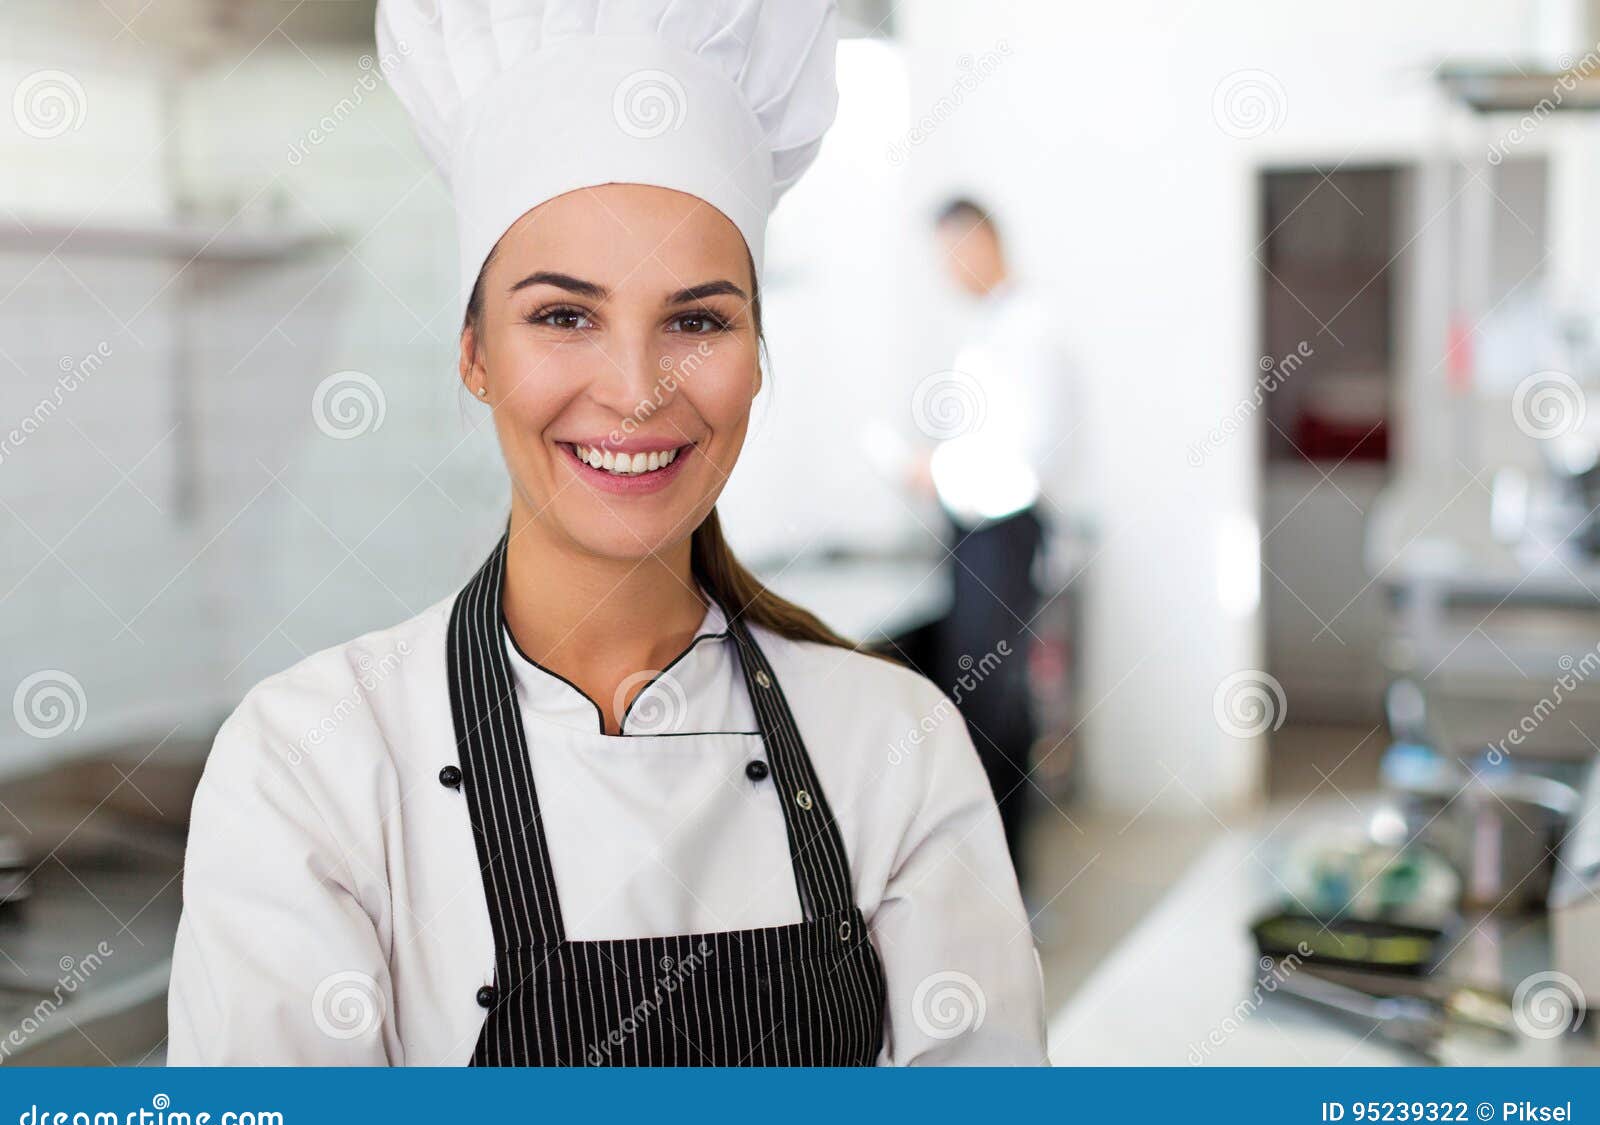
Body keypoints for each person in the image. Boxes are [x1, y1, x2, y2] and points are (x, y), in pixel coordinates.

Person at [165, 0, 1046, 1067]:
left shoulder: (894, 748)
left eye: (697, 318)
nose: (635, 392)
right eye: (562, 315)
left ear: (757, 355)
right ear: (475, 352)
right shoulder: (310, 765)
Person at [922, 197, 1072, 886]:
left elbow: (1023, 460)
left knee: (995, 706)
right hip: (980, 533)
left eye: (952, 252)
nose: (946, 270)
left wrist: (937, 472)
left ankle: (1008, 878)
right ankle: (993, 873)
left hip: (1003, 534)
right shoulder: (990, 330)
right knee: (983, 701)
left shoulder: (1026, 331)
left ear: (983, 241)